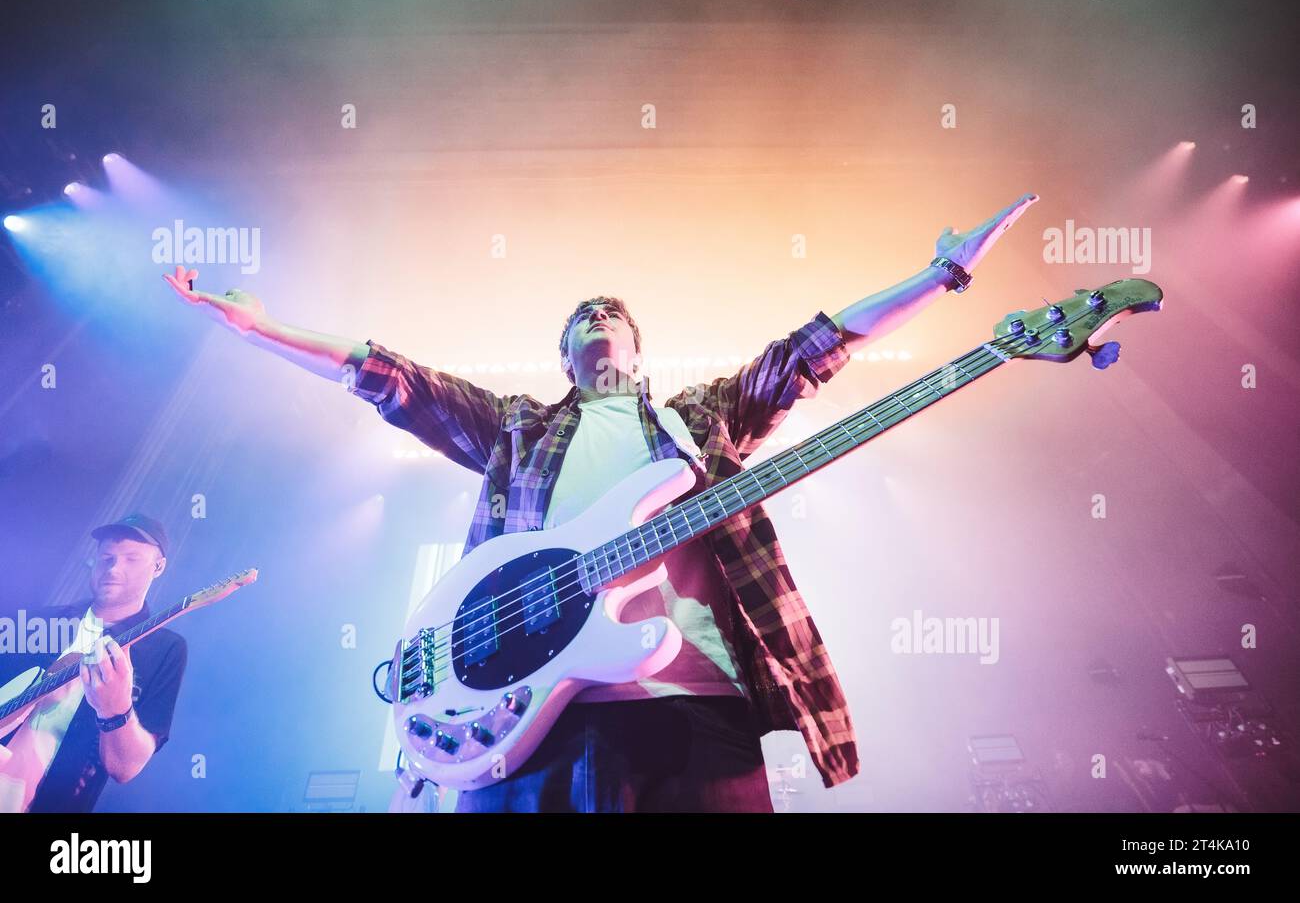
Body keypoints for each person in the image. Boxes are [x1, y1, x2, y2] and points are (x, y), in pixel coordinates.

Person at [165, 193, 1037, 811]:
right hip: (523, 720)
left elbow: (817, 347)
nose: (595, 315)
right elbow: (392, 379)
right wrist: (261, 328)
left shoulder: (700, 417)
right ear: (566, 354)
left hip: (694, 712)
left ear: (635, 346)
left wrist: (941, 275)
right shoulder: (518, 427)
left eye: (609, 311)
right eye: (580, 314)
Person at [0, 514, 188, 812]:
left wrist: (115, 708)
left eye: (131, 559)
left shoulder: (165, 649)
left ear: (158, 566)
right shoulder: (39, 621)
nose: (113, 568)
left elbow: (124, 769)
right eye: (106, 557)